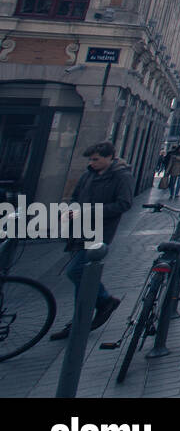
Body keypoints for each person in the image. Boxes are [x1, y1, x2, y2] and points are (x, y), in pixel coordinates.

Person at [48, 142, 132, 341]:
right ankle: (79, 322)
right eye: (91, 159)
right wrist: (72, 210)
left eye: (96, 159)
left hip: (99, 232)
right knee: (83, 278)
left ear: (110, 157)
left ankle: (105, 301)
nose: (92, 163)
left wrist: (88, 211)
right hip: (80, 230)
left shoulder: (122, 176)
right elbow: (76, 196)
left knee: (76, 271)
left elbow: (124, 204)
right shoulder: (89, 174)